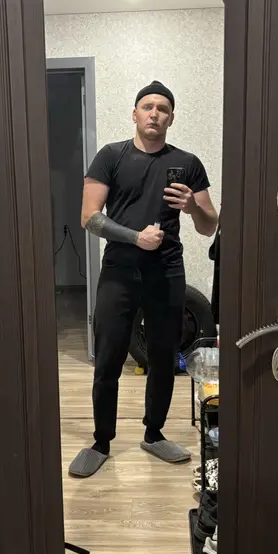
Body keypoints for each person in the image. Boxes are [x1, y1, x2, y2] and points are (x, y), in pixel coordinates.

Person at [69, 81, 218, 478]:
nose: (155, 113)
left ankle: (154, 434)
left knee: (163, 357)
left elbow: (209, 225)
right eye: (148, 106)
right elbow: (89, 217)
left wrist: (193, 207)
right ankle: (101, 441)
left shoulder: (187, 162)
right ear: (134, 114)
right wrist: (136, 237)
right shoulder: (110, 156)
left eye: (163, 108)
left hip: (166, 271)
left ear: (172, 118)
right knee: (109, 356)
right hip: (120, 270)